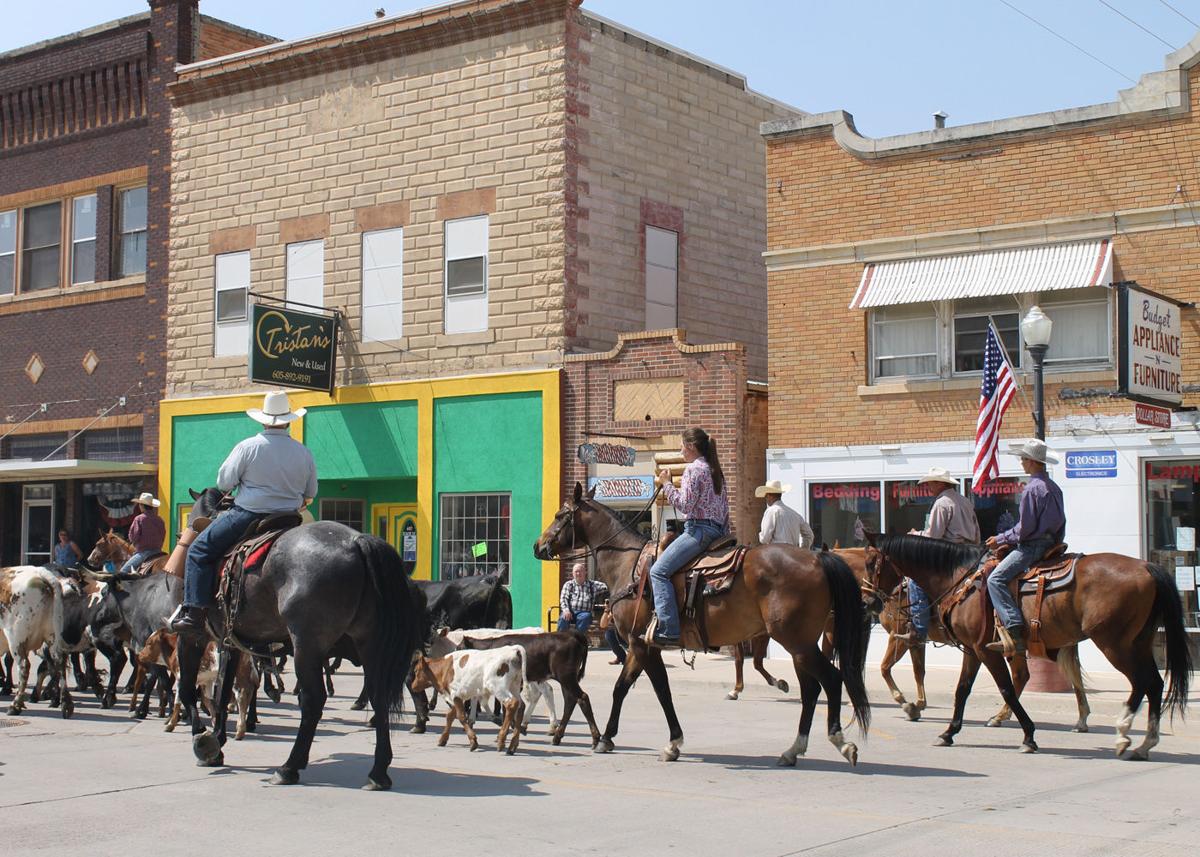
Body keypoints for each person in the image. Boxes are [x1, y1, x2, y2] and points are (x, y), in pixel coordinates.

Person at [169, 391, 318, 638]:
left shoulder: (248, 446)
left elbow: (224, 482)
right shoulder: (303, 452)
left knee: (198, 551)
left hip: (249, 515)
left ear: (263, 420)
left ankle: (194, 612)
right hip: (290, 519)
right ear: (288, 421)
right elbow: (310, 492)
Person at [648, 427, 729, 647]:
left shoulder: (694, 470)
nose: (681, 450)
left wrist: (666, 483)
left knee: (658, 571)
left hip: (698, 531)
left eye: (682, 445)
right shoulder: (715, 470)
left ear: (691, 446)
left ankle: (669, 629)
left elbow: (684, 504)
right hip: (719, 533)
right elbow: (725, 509)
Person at [984, 439, 1065, 656]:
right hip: (1052, 544)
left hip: (1031, 547)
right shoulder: (1054, 487)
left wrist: (1000, 539)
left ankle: (1013, 629)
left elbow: (1024, 529)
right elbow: (1061, 521)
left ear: (1031, 462)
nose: (1021, 463)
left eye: (1023, 459)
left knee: (995, 579)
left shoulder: (1032, 489)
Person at [897, 467, 981, 643]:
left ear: (941, 483)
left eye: (931, 483)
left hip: (949, 555)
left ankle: (919, 630)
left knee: (915, 580)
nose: (928, 486)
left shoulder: (942, 503)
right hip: (971, 553)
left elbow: (933, 537)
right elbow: (977, 533)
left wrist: (915, 535)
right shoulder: (965, 501)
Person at [756, 479, 813, 548]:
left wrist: (760, 536)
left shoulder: (771, 511)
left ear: (769, 496)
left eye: (765, 496)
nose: (766, 499)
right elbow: (809, 535)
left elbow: (765, 538)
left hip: (778, 554)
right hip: (794, 553)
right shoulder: (795, 514)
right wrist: (803, 549)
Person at [119, 492, 167, 574]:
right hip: (159, 552)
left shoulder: (139, 519)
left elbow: (133, 537)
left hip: (144, 553)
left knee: (122, 572)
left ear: (141, 506)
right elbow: (163, 536)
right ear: (151, 506)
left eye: (139, 505)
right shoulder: (160, 519)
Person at [557, 562, 607, 633]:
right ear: (573, 573)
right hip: (570, 612)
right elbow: (563, 598)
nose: (578, 573)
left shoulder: (592, 585)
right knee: (563, 618)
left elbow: (607, 586)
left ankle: (578, 640)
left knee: (585, 617)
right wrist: (566, 610)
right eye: (576, 572)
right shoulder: (568, 584)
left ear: (585, 572)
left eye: (580, 571)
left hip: (584, 613)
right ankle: (561, 641)